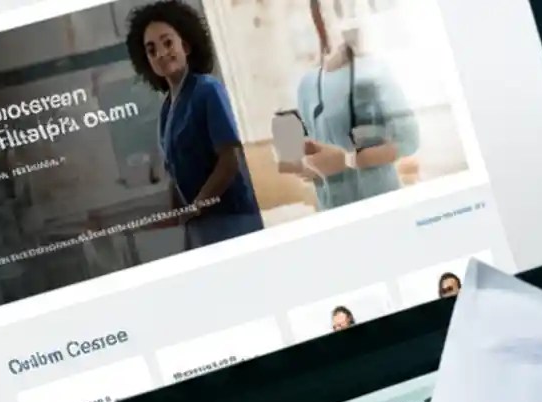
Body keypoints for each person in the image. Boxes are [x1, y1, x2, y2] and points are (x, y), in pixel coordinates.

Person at [126, 0, 263, 248]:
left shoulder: (208, 90)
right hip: (202, 226)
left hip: (234, 219)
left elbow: (230, 160)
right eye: (151, 50)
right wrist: (180, 221)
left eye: (168, 43)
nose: (161, 53)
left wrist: (196, 207)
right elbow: (174, 174)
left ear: (186, 45)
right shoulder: (167, 109)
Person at [282, 0, 419, 210]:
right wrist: (300, 165)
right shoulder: (306, 84)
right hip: (331, 208)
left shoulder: (375, 71)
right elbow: (296, 154)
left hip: (380, 202)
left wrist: (347, 161)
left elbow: (409, 141)